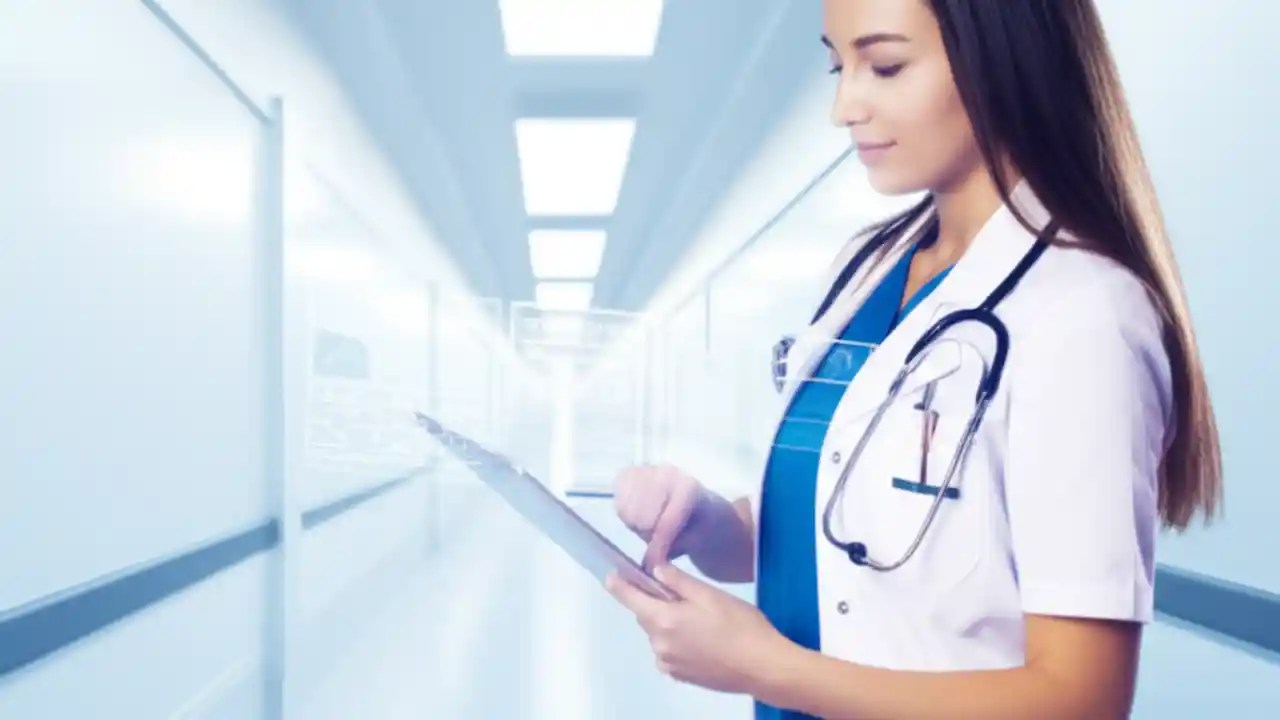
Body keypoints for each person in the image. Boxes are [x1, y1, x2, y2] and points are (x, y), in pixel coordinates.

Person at [603, 1, 1224, 718]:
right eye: (840, 66)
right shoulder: (869, 267)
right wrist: (710, 524)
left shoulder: (1083, 314)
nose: (843, 106)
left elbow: (1080, 701)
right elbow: (847, 532)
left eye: (886, 65)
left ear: (1001, 58)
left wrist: (764, 667)